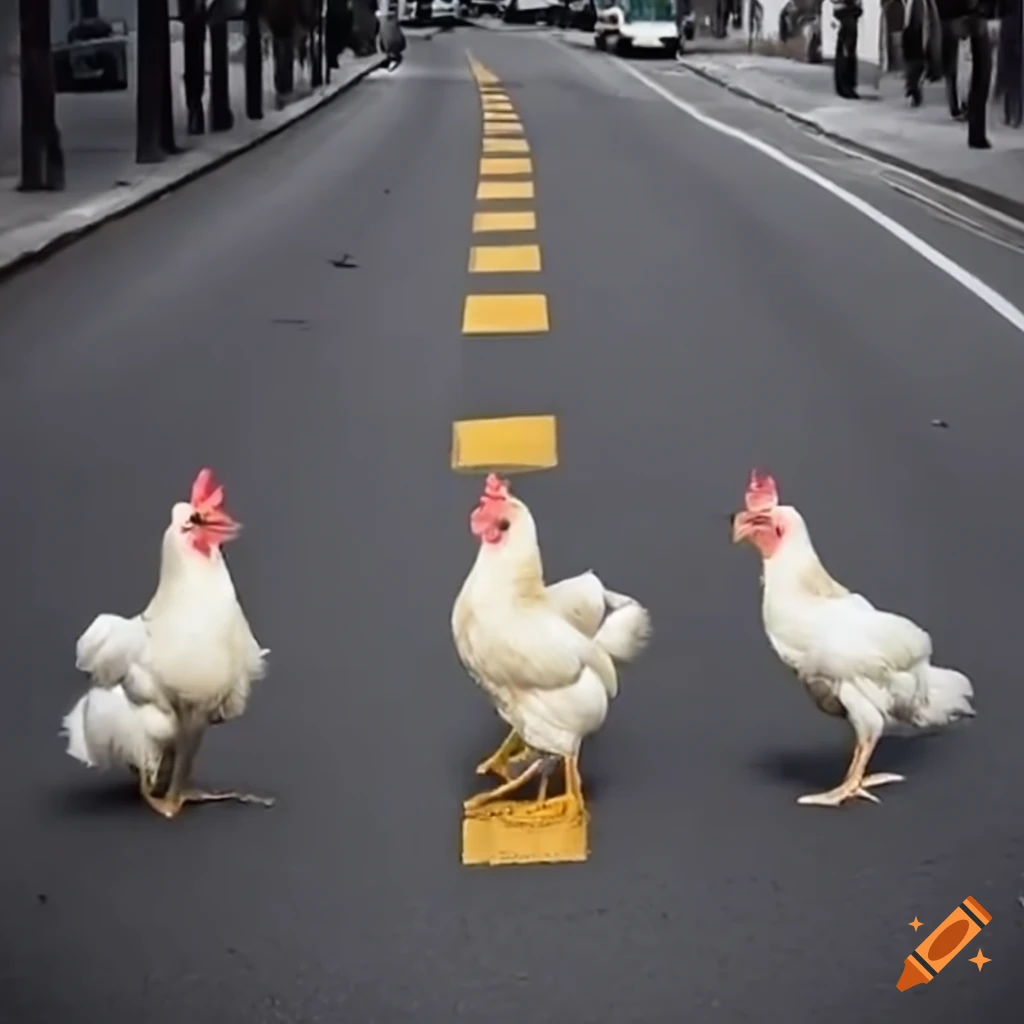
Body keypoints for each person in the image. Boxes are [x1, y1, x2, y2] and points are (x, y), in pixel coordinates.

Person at [832, 0, 863, 99]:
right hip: (847, 10)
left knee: (844, 48)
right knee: (847, 49)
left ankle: (843, 86)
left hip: (845, 9)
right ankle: (847, 86)